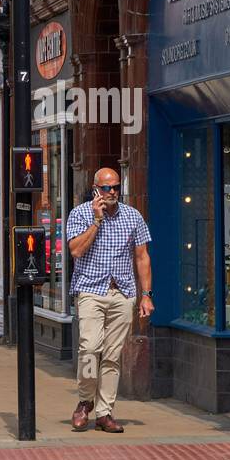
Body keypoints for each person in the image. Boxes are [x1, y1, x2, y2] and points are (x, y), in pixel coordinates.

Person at [65, 167, 153, 433]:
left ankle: (104, 412)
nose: (112, 192)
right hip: (91, 291)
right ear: (95, 189)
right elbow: (76, 250)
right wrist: (96, 220)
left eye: (116, 187)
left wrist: (146, 295)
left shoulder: (133, 216)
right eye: (106, 188)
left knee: (113, 356)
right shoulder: (79, 214)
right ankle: (84, 401)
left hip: (122, 293)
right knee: (90, 349)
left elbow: (142, 256)